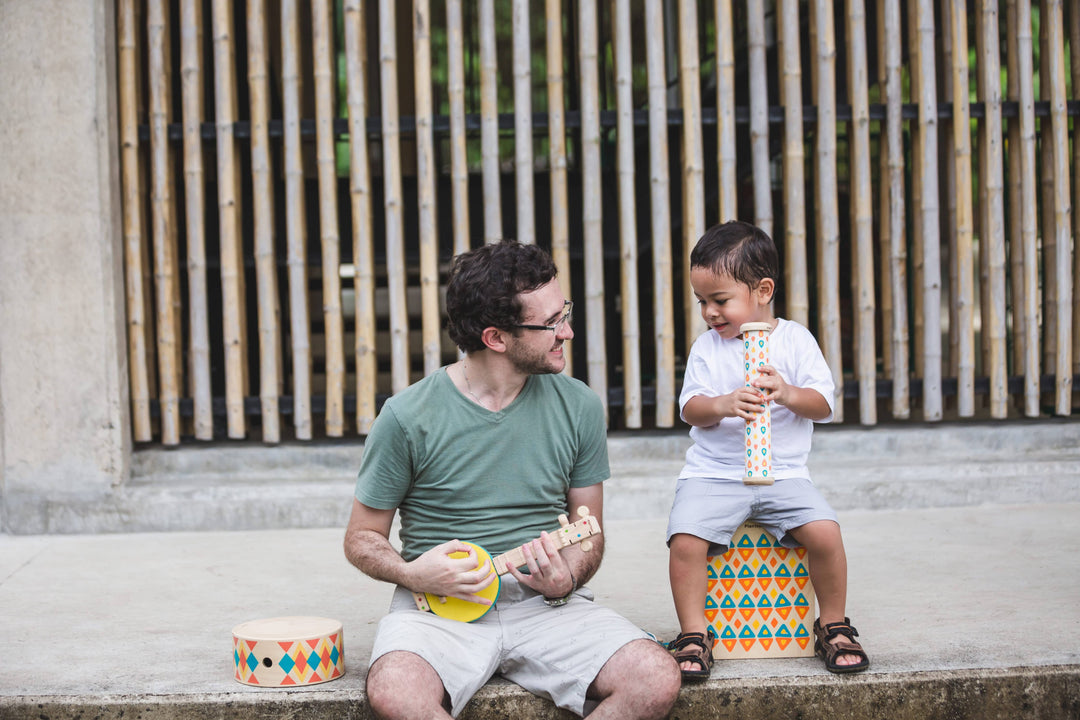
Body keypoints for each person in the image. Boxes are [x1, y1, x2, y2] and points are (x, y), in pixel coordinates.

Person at [344, 240, 681, 719]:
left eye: (564, 312)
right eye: (551, 324)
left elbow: (589, 531)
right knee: (395, 690)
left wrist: (565, 577)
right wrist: (411, 572)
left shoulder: (579, 406)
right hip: (437, 611)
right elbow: (361, 537)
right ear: (496, 338)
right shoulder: (405, 417)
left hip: (546, 609)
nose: (567, 332)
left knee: (655, 676)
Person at [666, 220, 870, 679]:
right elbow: (691, 409)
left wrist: (786, 391)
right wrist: (722, 404)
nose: (709, 313)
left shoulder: (795, 340)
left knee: (825, 532)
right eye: (702, 302)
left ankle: (833, 623)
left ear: (762, 290)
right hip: (714, 473)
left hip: (786, 473)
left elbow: (822, 405)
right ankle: (694, 633)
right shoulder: (706, 349)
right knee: (684, 540)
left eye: (720, 300)